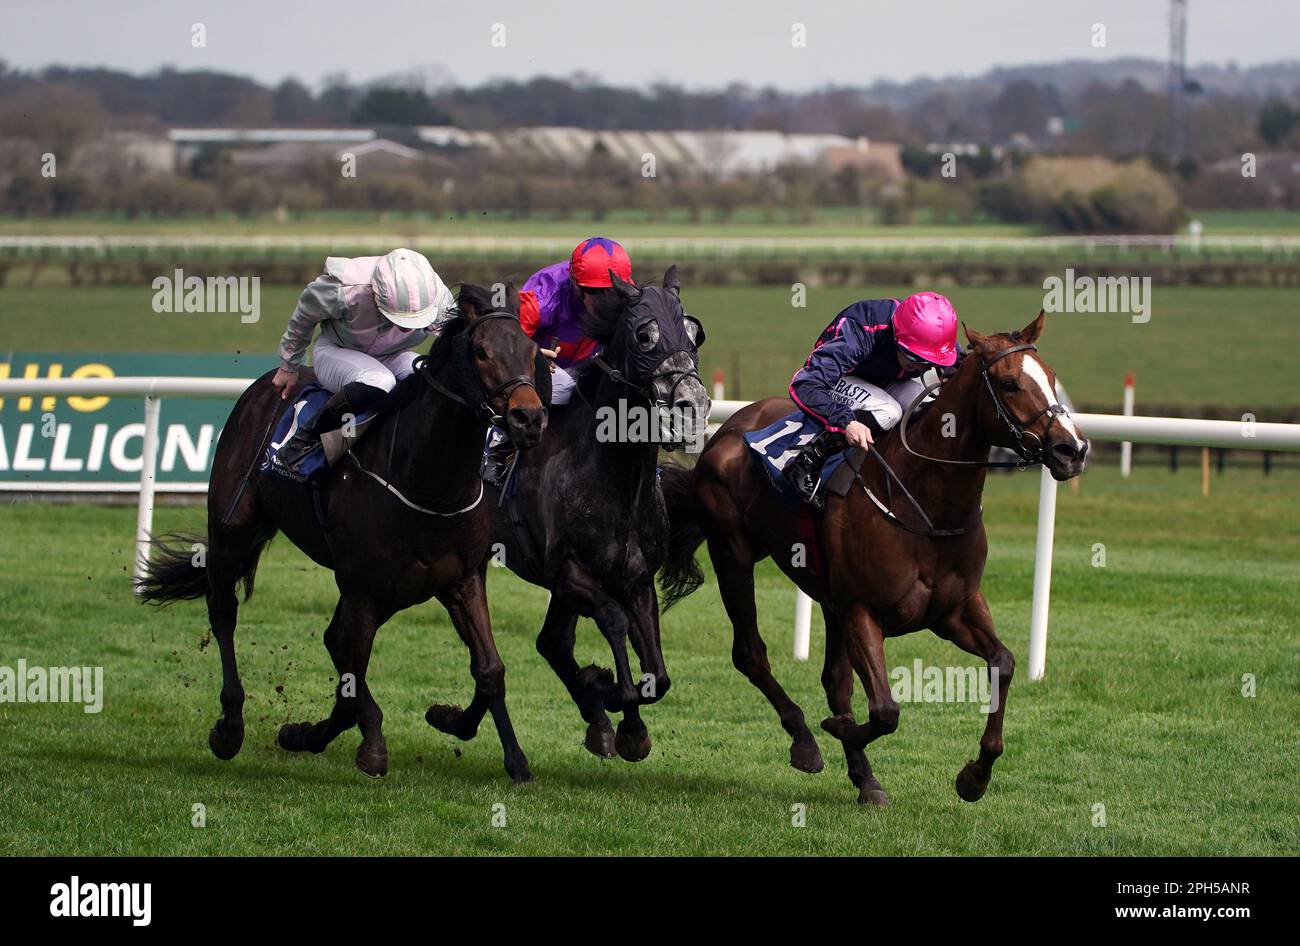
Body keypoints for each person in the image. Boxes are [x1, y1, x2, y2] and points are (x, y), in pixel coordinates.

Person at [273, 248, 456, 470]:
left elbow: (454, 343)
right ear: (375, 294)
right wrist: (289, 366)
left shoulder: (437, 297)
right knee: (380, 381)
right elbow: (304, 315)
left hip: (392, 355)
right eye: (398, 318)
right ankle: (303, 440)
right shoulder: (344, 289)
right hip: (336, 350)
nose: (403, 327)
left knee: (425, 376)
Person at [784, 291, 961, 508]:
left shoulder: (934, 338)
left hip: (885, 382)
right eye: (915, 358)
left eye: (928, 362)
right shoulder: (859, 331)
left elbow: (963, 367)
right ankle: (807, 461)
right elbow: (805, 384)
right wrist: (845, 422)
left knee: (927, 407)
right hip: (838, 379)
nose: (921, 367)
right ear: (897, 336)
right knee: (889, 412)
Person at [481, 236, 632, 487]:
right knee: (567, 389)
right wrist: (536, 354)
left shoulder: (624, 293)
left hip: (588, 361)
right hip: (541, 365)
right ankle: (496, 450)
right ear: (577, 286)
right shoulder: (544, 294)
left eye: (611, 292)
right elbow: (506, 342)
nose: (605, 301)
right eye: (596, 293)